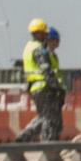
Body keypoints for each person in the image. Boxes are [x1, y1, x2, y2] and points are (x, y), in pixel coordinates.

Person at [17, 19, 63, 147]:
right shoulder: (39, 49)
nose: (46, 36)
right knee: (49, 119)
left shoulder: (28, 47)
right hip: (44, 87)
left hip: (34, 87)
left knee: (43, 117)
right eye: (44, 33)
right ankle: (47, 146)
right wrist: (57, 88)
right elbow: (45, 70)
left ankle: (24, 138)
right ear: (38, 33)